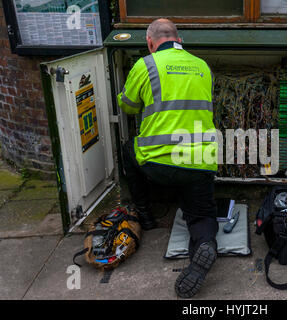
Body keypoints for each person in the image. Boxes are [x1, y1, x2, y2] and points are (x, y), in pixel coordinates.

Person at [117, 18, 218, 298]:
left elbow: (127, 106)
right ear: (180, 40)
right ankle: (205, 244)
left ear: (150, 43)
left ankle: (146, 215)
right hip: (199, 161)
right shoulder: (202, 67)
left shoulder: (145, 65)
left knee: (128, 149)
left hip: (157, 164)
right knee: (202, 215)